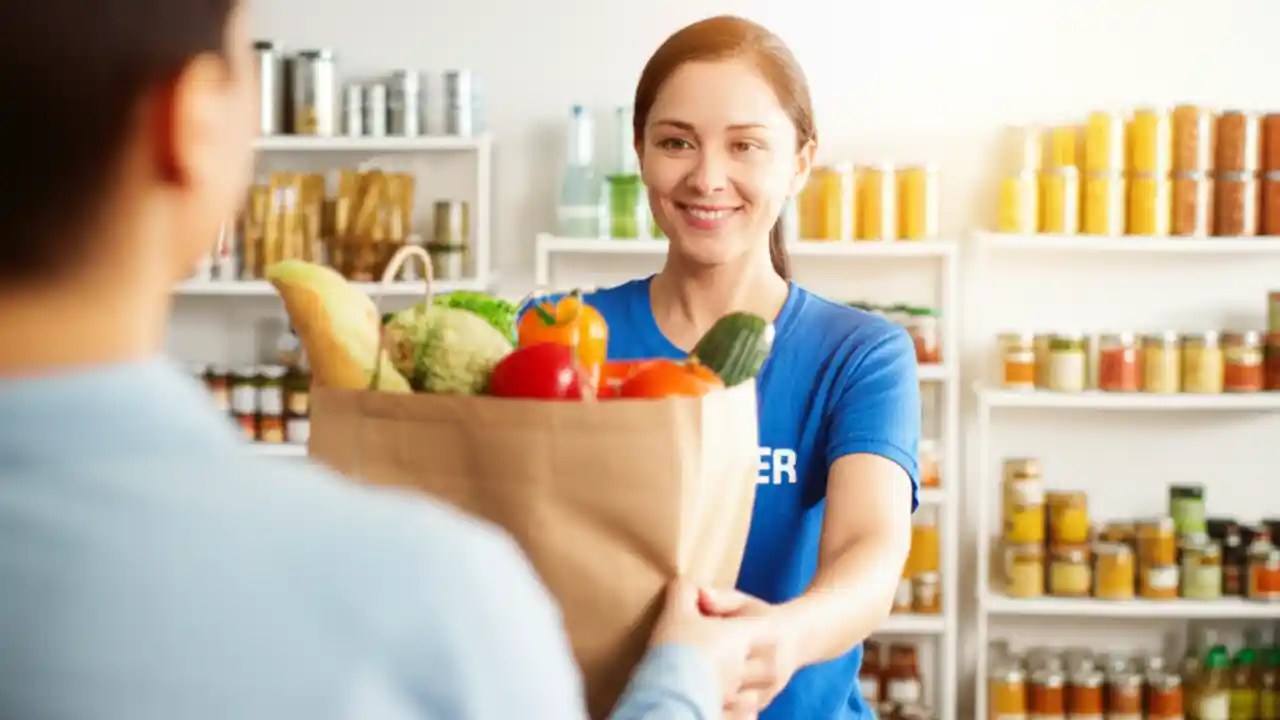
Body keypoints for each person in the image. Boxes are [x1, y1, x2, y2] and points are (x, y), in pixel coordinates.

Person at [0, 1, 769, 719]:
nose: (706, 173)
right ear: (192, 124)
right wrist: (681, 678)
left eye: (743, 144)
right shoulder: (425, 597)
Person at [580, 15, 920, 719]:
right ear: (640, 151)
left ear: (799, 161)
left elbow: (869, 548)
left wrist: (780, 639)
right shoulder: (565, 332)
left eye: (745, 146)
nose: (707, 178)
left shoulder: (859, 353)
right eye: (677, 142)